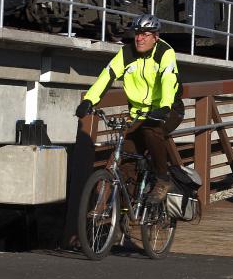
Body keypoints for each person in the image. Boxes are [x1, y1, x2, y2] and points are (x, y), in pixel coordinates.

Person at [74, 14, 183, 201]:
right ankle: (128, 213)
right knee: (127, 158)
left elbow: (168, 79)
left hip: (168, 109)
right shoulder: (126, 53)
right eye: (137, 34)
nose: (140, 38)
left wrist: (164, 106)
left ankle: (163, 179)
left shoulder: (165, 52)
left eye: (145, 34)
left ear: (155, 37)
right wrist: (89, 100)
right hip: (138, 113)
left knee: (150, 131)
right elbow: (107, 75)